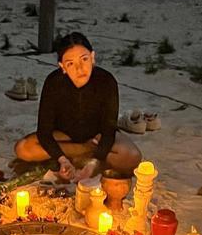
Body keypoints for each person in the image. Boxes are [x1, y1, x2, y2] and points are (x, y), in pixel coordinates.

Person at [14, 32, 141, 180]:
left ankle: (89, 159)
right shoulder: (54, 83)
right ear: (62, 66)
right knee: (23, 148)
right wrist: (63, 159)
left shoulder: (106, 81)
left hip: (96, 136)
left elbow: (108, 129)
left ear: (92, 57)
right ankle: (83, 154)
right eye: (70, 63)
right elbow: (44, 132)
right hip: (65, 135)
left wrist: (94, 162)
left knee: (132, 157)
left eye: (84, 59)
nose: (79, 68)